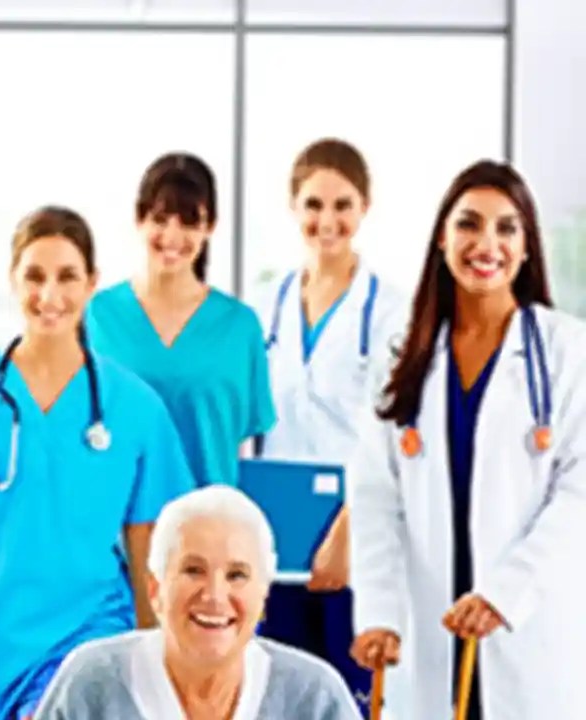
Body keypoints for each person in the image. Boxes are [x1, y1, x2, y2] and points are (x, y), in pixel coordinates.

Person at [0, 206, 196, 720]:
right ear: (12, 280)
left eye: (68, 276)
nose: (50, 296)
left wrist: (156, 662)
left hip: (89, 634)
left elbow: (146, 544)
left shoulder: (132, 406)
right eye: (34, 276)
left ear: (93, 283)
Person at [348, 160, 586, 719]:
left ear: (527, 248)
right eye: (469, 224)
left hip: (526, 633)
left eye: (507, 228)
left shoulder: (565, 352)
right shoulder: (401, 352)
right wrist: (379, 613)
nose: (487, 243)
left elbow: (578, 493)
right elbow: (377, 496)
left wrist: (506, 593)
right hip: (425, 629)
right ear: (441, 237)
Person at [250, 138, 408, 712]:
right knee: (276, 697)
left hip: (352, 539)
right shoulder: (264, 307)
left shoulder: (391, 312)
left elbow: (389, 439)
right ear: (294, 207)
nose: (327, 221)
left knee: (347, 699)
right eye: (314, 204)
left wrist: (346, 537)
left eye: (342, 205)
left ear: (364, 208)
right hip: (275, 542)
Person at [32, 485, 360, 719]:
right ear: (155, 590)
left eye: (237, 575)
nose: (214, 596)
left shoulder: (314, 695)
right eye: (193, 571)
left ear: (263, 597)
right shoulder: (91, 682)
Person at [85, 152, 276, 487]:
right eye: (160, 219)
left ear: (210, 227)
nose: (172, 237)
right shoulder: (98, 316)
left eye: (189, 222)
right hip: (114, 525)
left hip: (211, 526)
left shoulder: (240, 328)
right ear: (139, 219)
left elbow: (249, 446)